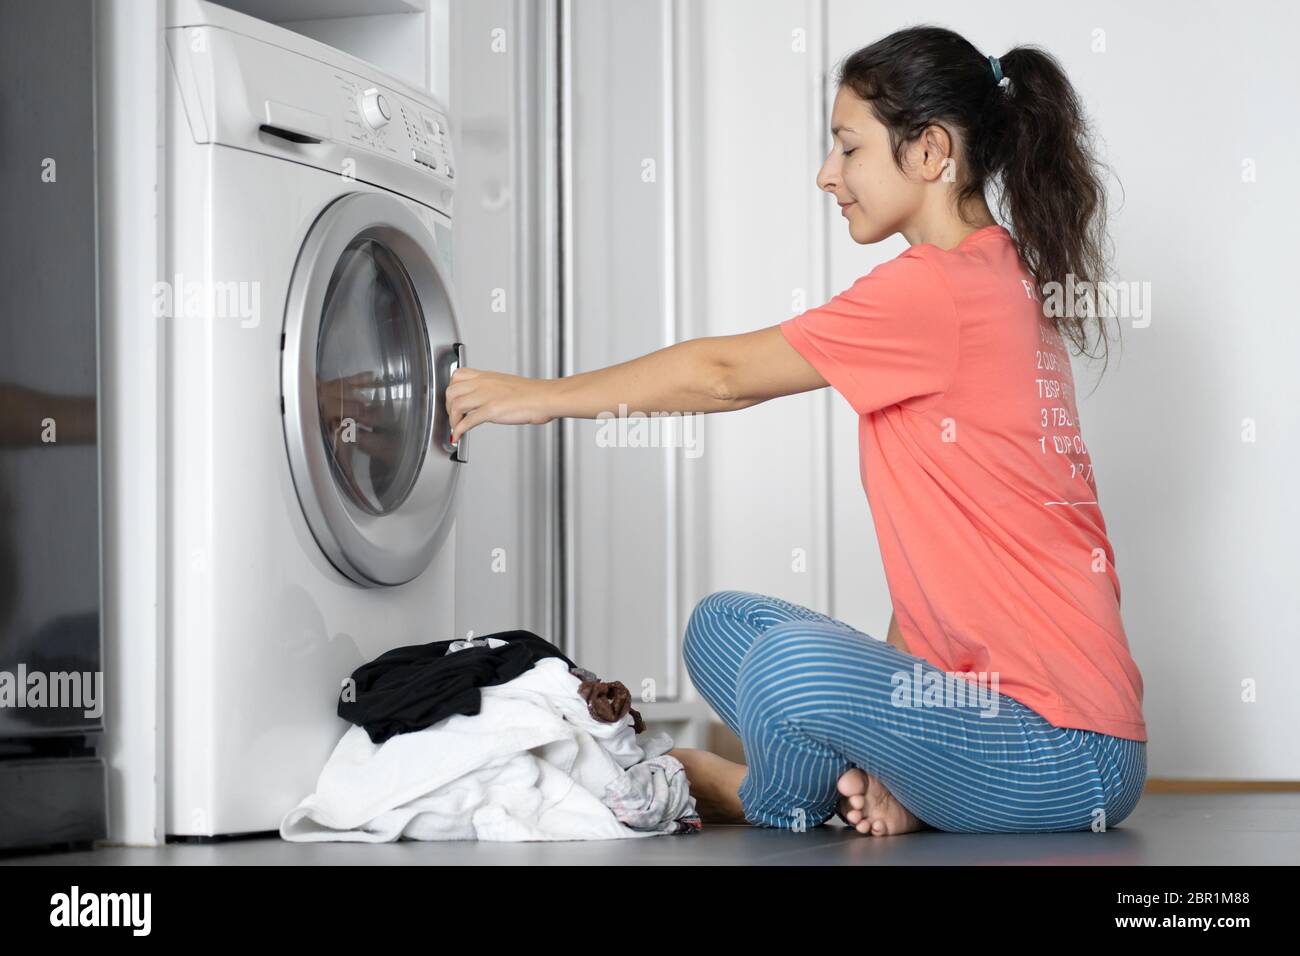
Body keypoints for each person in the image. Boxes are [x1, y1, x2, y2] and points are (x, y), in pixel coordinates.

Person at [443, 25, 1147, 836]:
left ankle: (755, 796)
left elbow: (724, 377)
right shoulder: (994, 273)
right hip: (982, 722)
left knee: (789, 666)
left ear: (929, 152)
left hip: (1065, 753)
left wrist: (539, 397)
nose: (828, 174)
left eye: (848, 149)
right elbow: (937, 572)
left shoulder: (937, 290)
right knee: (723, 624)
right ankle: (890, 791)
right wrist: (892, 742)